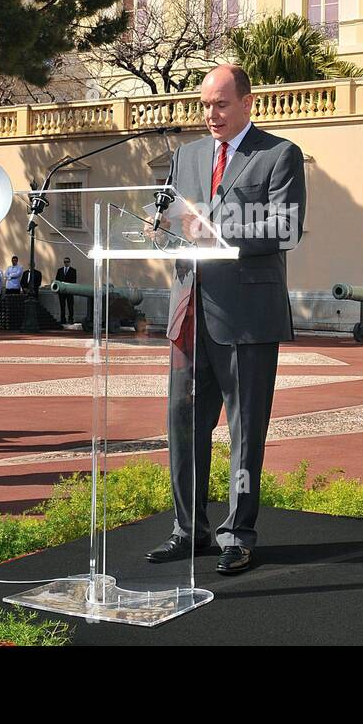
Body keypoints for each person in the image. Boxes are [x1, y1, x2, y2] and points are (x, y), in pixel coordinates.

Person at [146, 64, 306, 576]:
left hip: (246, 317)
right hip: (189, 312)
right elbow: (169, 215)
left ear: (247, 103)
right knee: (183, 425)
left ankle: (237, 533)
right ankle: (187, 529)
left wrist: (215, 229)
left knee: (243, 430)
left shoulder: (278, 155)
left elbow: (286, 226)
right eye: (204, 105)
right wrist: (155, 225)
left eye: (220, 104)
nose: (210, 115)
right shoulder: (186, 156)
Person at [54, 256, 77, 324]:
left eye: (67, 262)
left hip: (69, 290)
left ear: (69, 262)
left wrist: (66, 284)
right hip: (61, 291)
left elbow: (74, 281)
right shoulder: (60, 270)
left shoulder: (73, 270)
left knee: (70, 305)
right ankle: (63, 319)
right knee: (62, 305)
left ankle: (70, 319)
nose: (66, 263)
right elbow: (57, 280)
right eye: (65, 262)